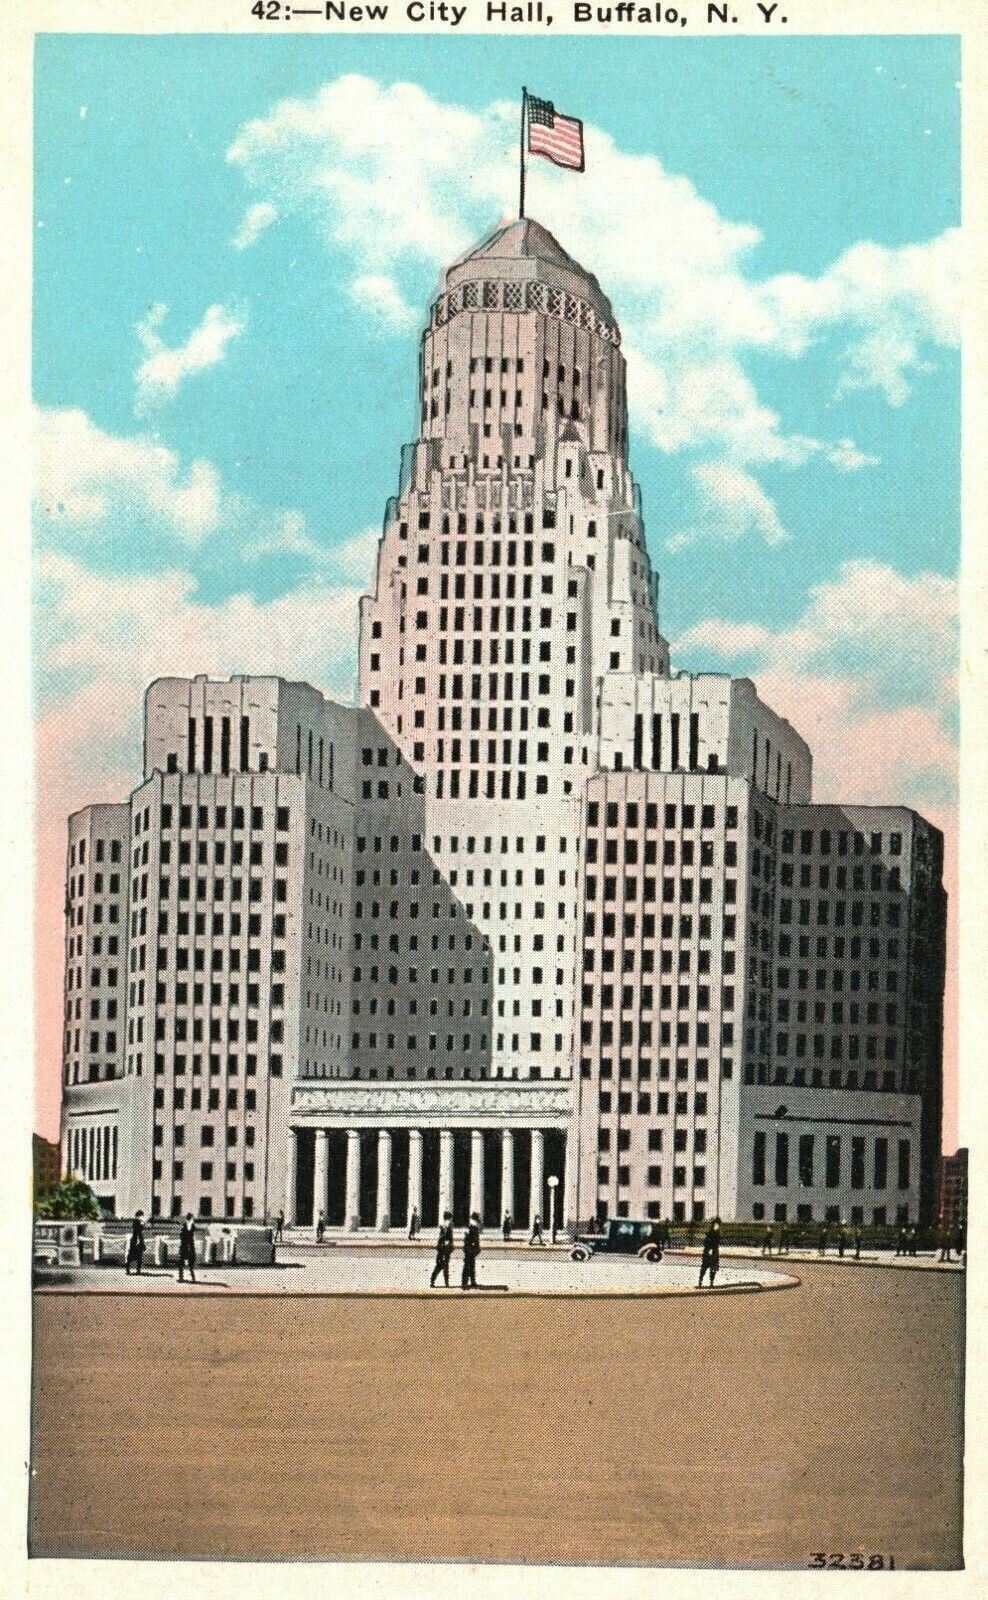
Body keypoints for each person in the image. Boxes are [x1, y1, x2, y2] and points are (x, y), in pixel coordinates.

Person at [430, 1211, 454, 1288]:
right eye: (450, 1218)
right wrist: (448, 1244)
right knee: (442, 1266)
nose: (450, 1220)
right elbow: (446, 1238)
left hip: (443, 1248)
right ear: (448, 1218)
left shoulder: (444, 1226)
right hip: (444, 1249)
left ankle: (435, 1281)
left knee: (441, 1266)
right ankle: (444, 1283)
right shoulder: (447, 1226)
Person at [461, 1211, 482, 1290]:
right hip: (469, 1249)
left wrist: (477, 1247)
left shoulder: (472, 1227)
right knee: (467, 1266)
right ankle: (464, 1283)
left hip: (471, 1249)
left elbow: (476, 1240)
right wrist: (473, 1247)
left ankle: (472, 1282)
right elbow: (467, 1239)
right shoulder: (470, 1227)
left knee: (471, 1265)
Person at [698, 1218, 721, 1288]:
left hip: (713, 1251)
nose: (717, 1226)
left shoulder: (716, 1232)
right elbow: (707, 1243)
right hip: (710, 1251)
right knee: (706, 1266)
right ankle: (701, 1281)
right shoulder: (711, 1233)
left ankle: (709, 1282)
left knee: (711, 1267)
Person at [178, 1213, 197, 1284]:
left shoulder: (190, 1225)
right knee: (185, 1262)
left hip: (187, 1246)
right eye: (192, 1218)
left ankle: (184, 1277)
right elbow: (182, 1235)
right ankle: (190, 1278)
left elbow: (181, 1235)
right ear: (191, 1218)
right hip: (186, 1246)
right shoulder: (187, 1225)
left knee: (187, 1262)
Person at [126, 1210, 146, 1276]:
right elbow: (139, 1231)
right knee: (136, 1255)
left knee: (136, 1255)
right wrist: (142, 1224)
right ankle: (132, 1269)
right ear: (139, 1216)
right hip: (136, 1240)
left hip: (136, 1240)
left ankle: (134, 1269)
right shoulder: (136, 1221)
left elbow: (139, 1231)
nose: (142, 1217)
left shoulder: (137, 1221)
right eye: (141, 1215)